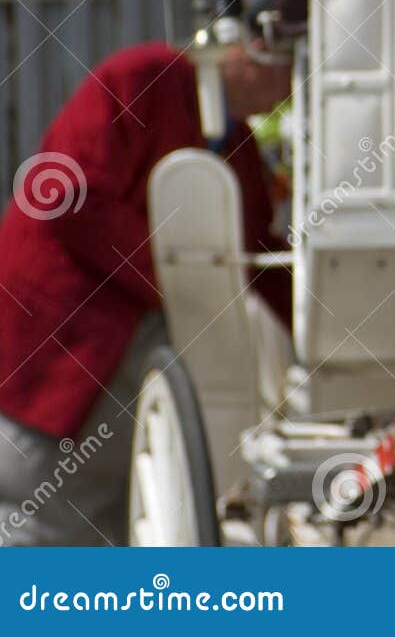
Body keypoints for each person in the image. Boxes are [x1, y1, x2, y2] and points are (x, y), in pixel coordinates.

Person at [0, 40, 292, 545]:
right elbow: (68, 194)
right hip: (62, 335)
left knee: (110, 514)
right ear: (252, 53)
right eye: (289, 71)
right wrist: (175, 278)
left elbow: (255, 253)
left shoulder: (232, 140)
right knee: (45, 506)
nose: (287, 94)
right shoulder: (145, 77)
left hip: (128, 344)